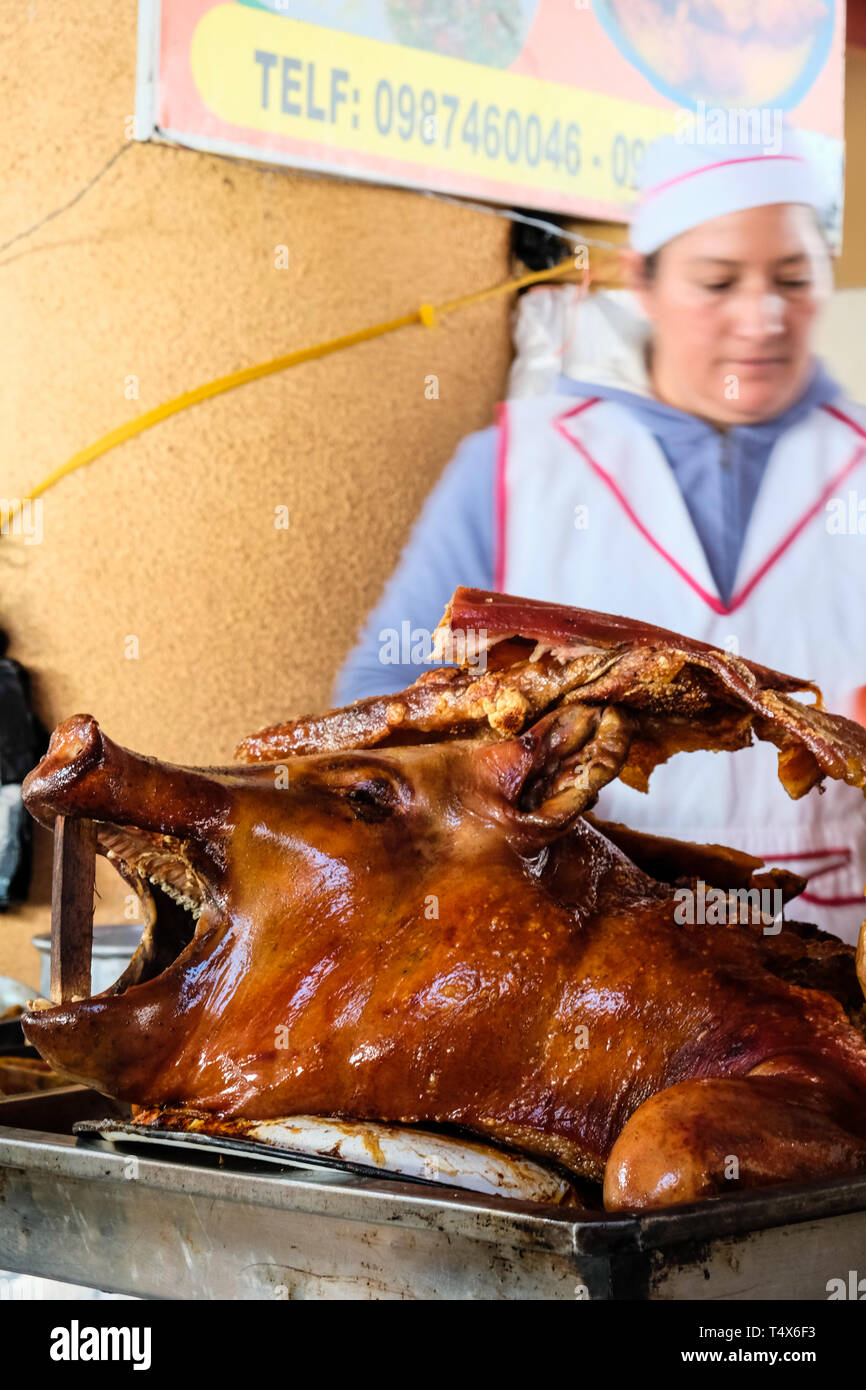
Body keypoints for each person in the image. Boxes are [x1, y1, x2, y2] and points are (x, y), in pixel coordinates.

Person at [334, 129, 866, 944]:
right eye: (718, 282)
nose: (761, 316)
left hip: (836, 944)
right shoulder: (517, 469)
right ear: (643, 282)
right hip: (586, 953)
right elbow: (375, 709)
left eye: (792, 279)